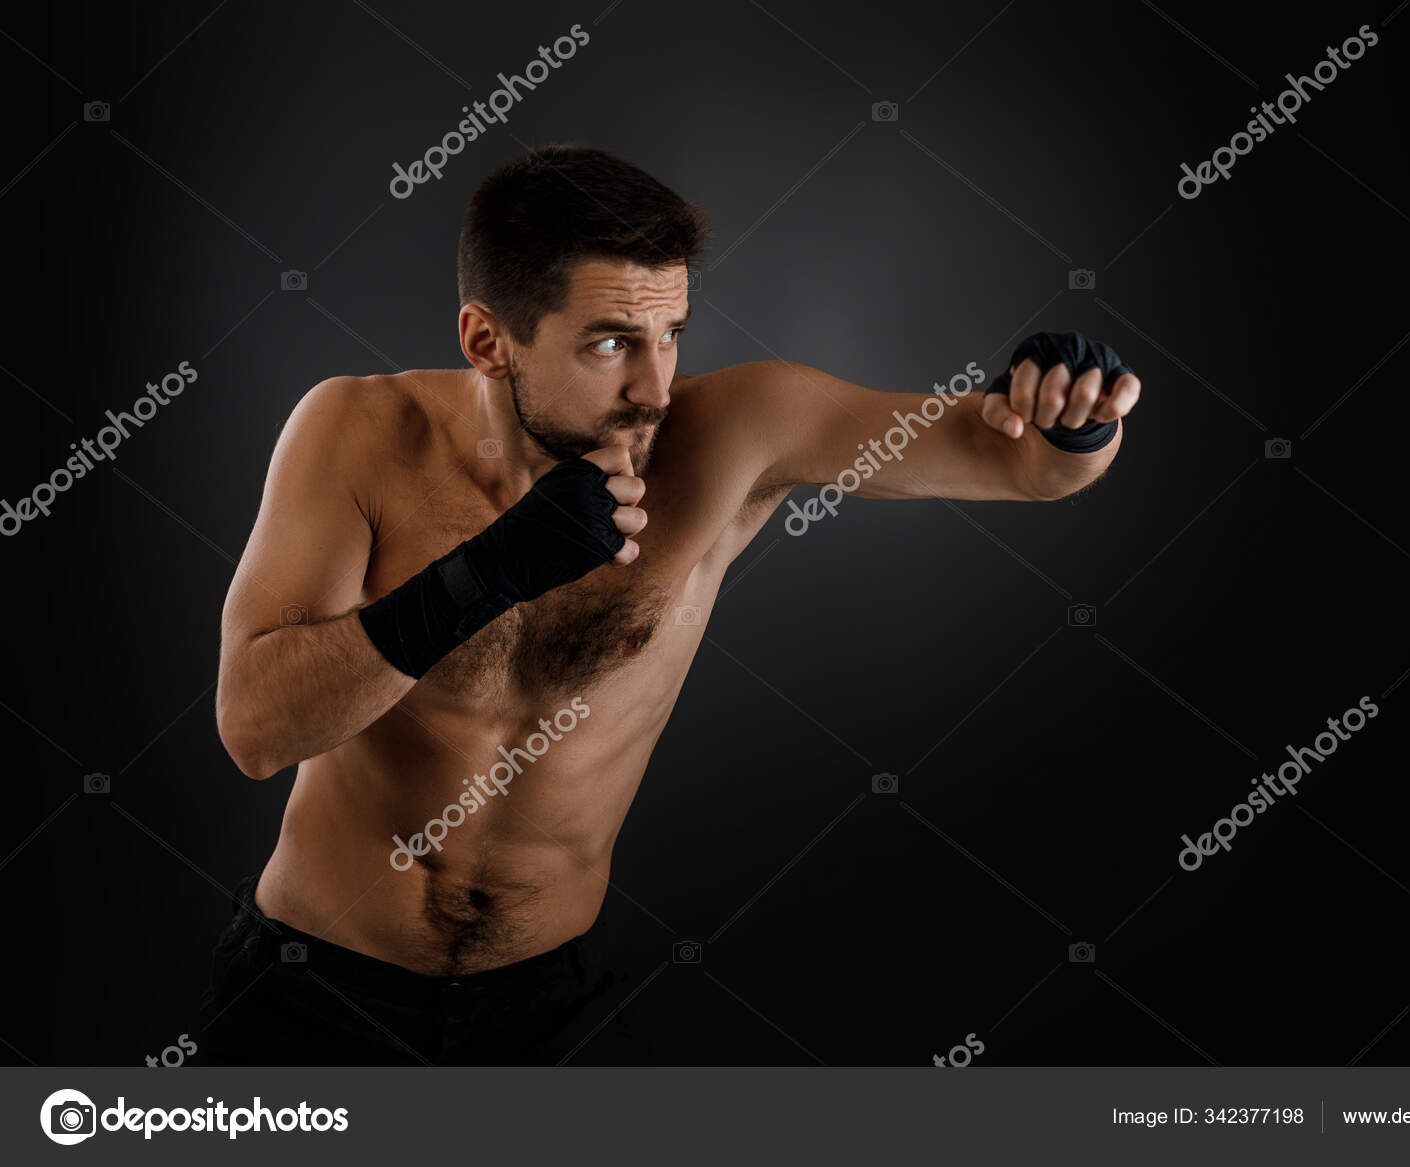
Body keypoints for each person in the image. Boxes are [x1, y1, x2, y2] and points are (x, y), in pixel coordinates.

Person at [191, 142, 1142, 1065]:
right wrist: (490, 571)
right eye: (610, 343)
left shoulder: (734, 435)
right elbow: (255, 729)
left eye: (671, 334)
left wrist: (1075, 416)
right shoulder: (358, 432)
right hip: (311, 997)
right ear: (489, 340)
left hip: (547, 1012)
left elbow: (1021, 465)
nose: (654, 388)